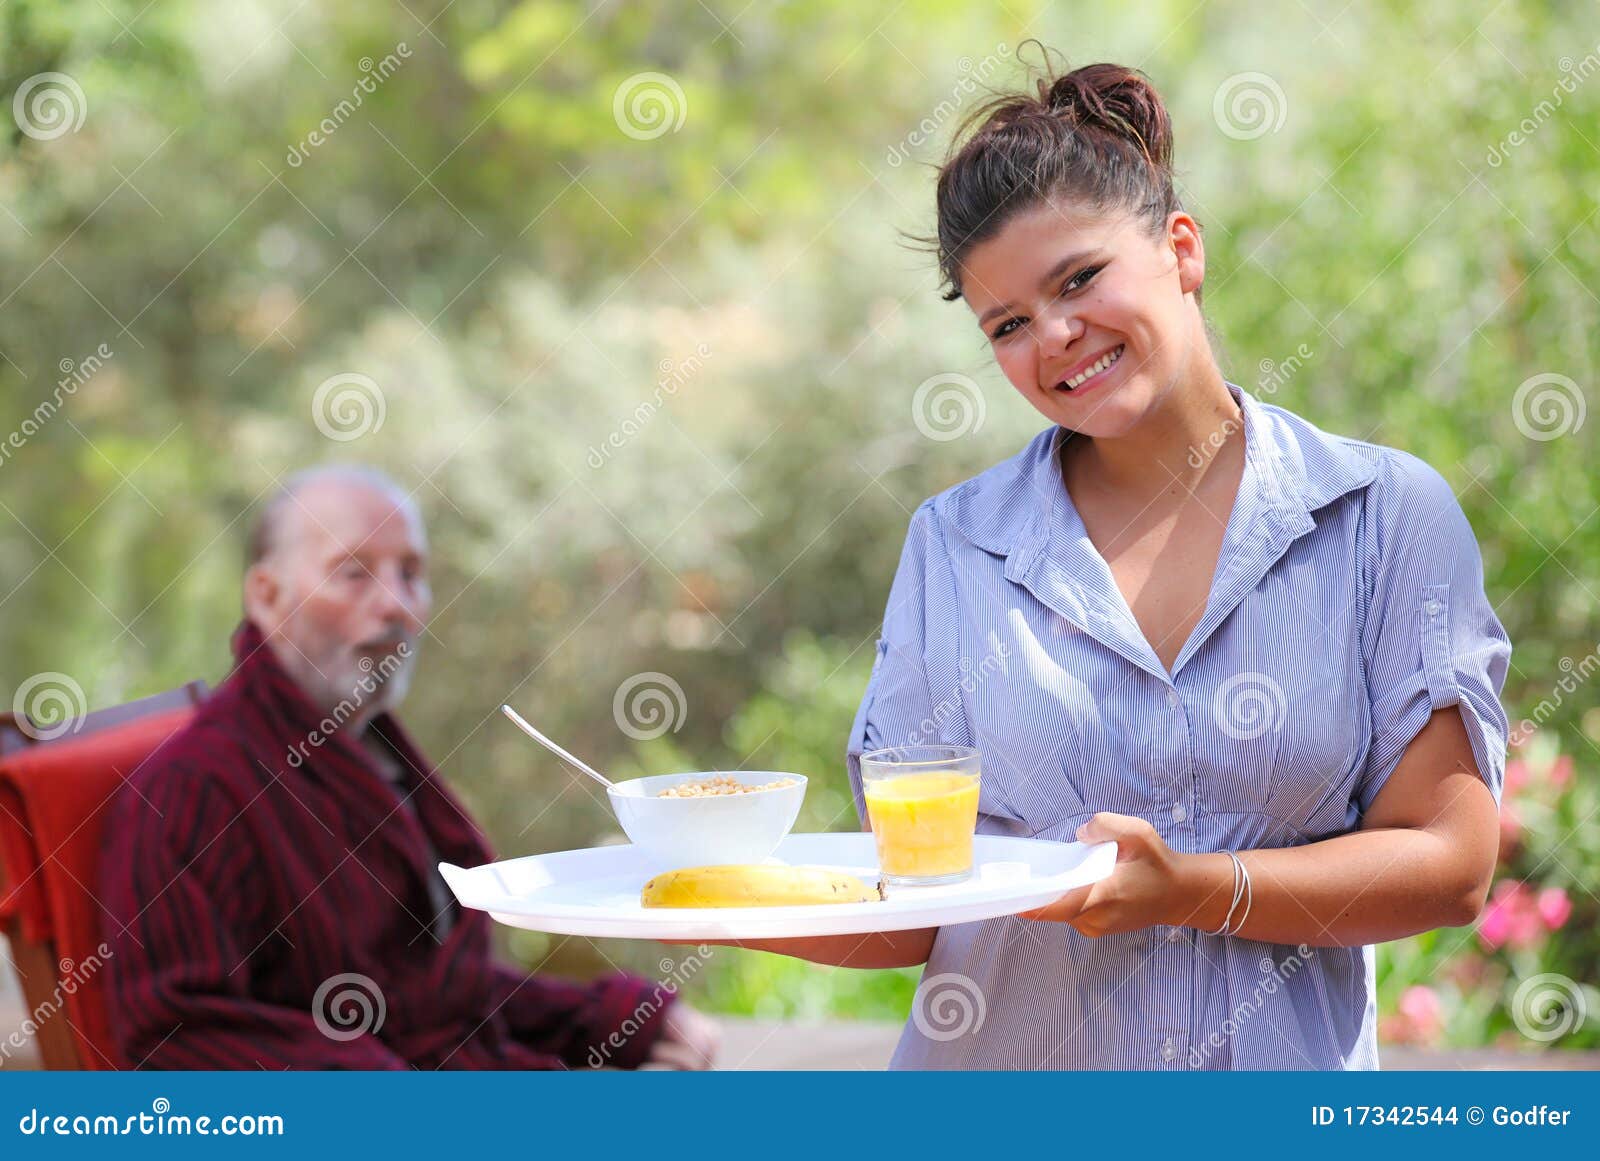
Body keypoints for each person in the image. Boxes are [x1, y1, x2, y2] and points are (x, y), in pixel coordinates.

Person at [733, 61, 1510, 1069]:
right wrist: (704, 891)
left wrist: (1195, 887)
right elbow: (919, 910)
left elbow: (1449, 866)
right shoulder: (955, 545)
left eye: (1078, 279)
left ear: (1180, 250)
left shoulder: (1379, 517)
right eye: (1006, 325)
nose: (1053, 336)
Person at [100, 466, 718, 1070]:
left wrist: (617, 1015)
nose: (398, 605)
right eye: (353, 573)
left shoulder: (370, 755)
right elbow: (176, 1033)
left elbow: (428, 1002)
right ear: (266, 595)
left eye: (412, 573)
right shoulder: (193, 788)